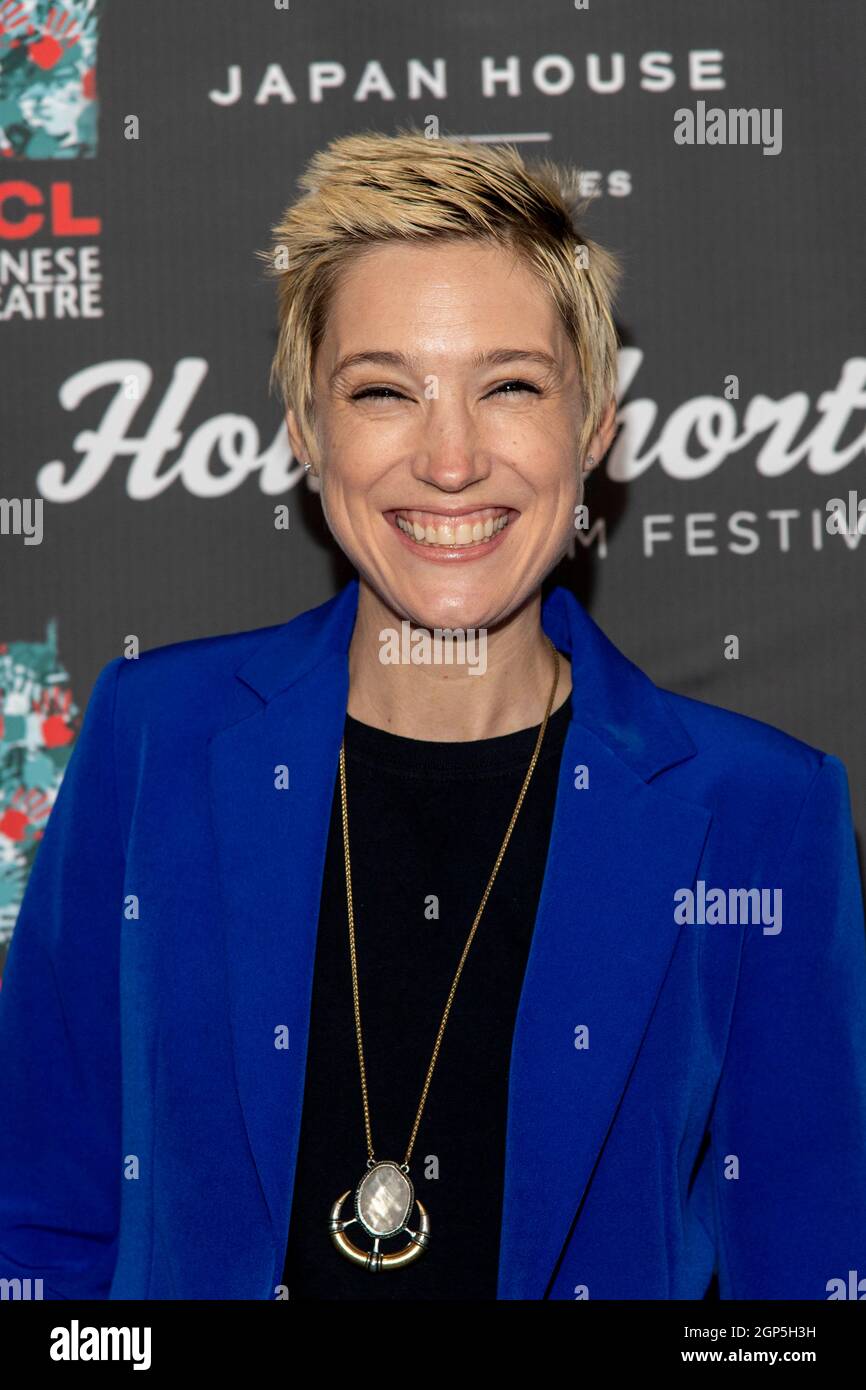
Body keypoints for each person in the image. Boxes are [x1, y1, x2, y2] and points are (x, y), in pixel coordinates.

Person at [1, 129, 865, 1302]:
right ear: (305, 429)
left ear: (594, 423)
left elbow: (804, 1293)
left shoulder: (758, 812)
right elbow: (36, 1227)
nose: (449, 460)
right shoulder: (155, 738)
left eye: (508, 386)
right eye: (382, 391)